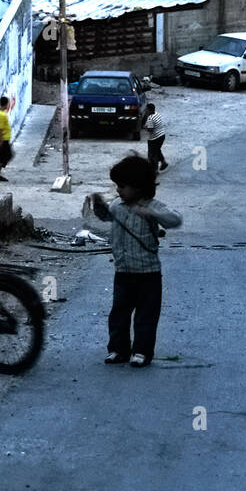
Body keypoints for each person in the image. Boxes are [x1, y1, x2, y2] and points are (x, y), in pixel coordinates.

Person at [90, 153, 182, 367]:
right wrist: (98, 205)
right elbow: (106, 217)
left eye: (122, 186)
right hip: (123, 273)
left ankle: (141, 352)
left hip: (148, 274)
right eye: (117, 186)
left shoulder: (153, 205)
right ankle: (118, 350)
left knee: (145, 317)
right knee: (119, 315)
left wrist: (150, 213)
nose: (118, 190)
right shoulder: (116, 206)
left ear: (139, 187)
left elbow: (175, 219)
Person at [144, 103, 168, 172]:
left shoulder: (150, 118)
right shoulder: (157, 114)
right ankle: (163, 162)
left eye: (146, 110)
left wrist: (145, 127)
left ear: (149, 110)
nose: (145, 111)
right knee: (157, 150)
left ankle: (155, 170)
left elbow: (150, 129)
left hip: (154, 138)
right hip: (162, 135)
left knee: (153, 155)